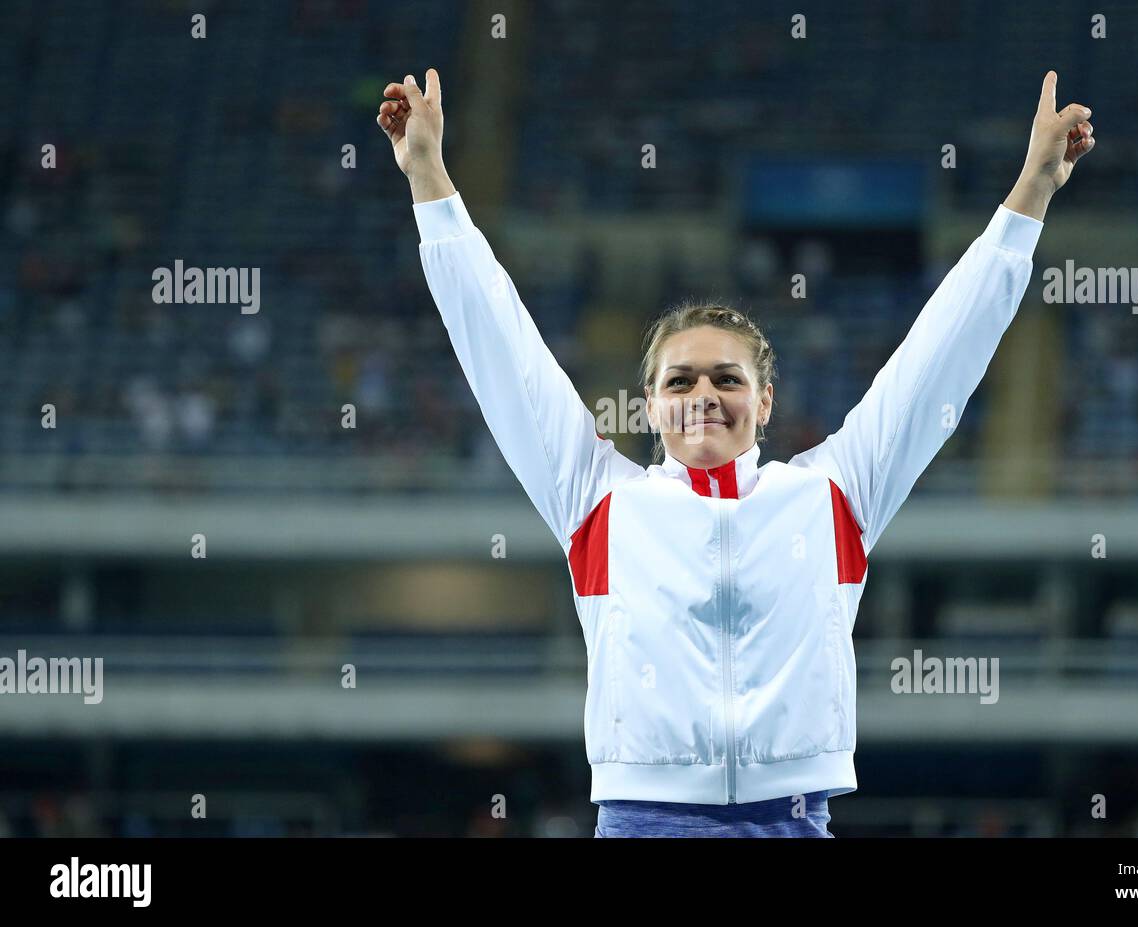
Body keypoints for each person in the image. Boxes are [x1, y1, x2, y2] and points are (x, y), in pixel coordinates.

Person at [377, 69, 1094, 837]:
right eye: (679, 378)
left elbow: (939, 358)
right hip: (641, 816)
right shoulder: (598, 499)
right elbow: (503, 353)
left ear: (766, 400)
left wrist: (1030, 197)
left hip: (789, 816)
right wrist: (430, 181)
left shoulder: (833, 494)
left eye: (728, 376)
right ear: (650, 404)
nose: (704, 393)